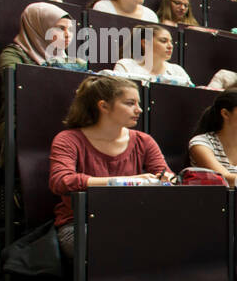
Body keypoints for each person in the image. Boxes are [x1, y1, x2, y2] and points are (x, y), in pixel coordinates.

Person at [48, 75, 173, 255]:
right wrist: (125, 181)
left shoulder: (143, 141)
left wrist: (166, 179)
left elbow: (166, 175)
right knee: (122, 249)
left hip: (133, 219)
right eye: (130, 103)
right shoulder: (68, 139)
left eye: (138, 103)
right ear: (104, 106)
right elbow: (61, 181)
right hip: (81, 223)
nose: (139, 110)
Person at [113, 24, 192, 86]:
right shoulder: (126, 66)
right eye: (163, 41)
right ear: (145, 43)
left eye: (170, 42)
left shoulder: (178, 70)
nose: (170, 46)